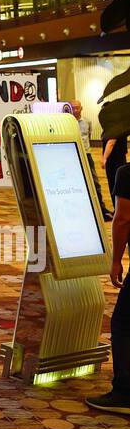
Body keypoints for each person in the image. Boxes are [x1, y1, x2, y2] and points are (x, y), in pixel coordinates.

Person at [87, 164, 130, 415]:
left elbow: (123, 218)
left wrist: (116, 261)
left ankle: (124, 392)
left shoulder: (127, 174)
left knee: (123, 324)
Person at [102, 129, 128, 204]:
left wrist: (104, 158)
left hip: (113, 159)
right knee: (118, 184)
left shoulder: (115, 129)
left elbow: (111, 143)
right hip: (119, 157)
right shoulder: (121, 127)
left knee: (114, 184)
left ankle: (116, 209)